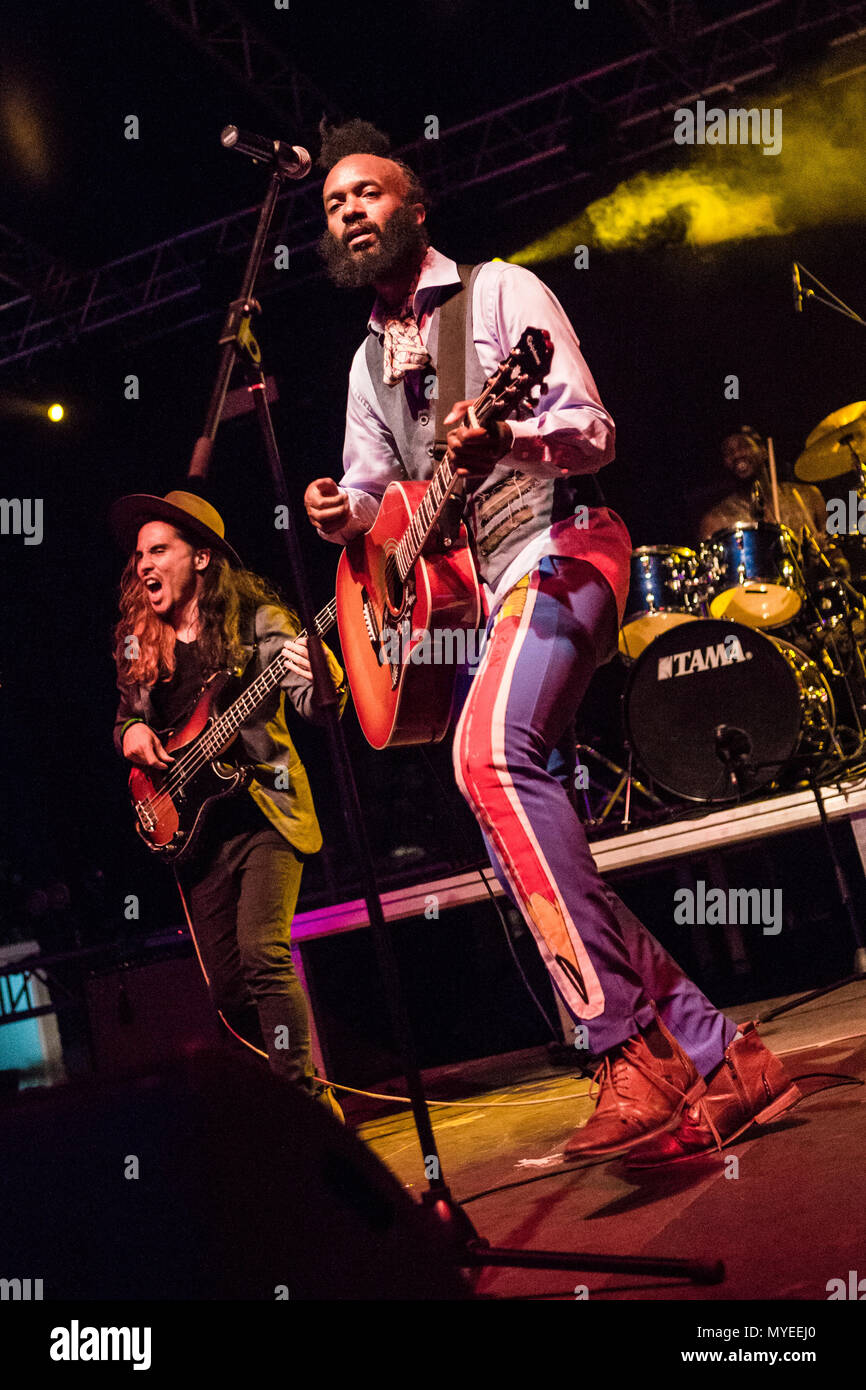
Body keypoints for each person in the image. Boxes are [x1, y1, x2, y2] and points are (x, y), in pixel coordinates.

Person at [304, 119, 810, 1165]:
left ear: (415, 206)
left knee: (485, 756)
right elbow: (371, 492)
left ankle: (623, 1044)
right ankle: (722, 1054)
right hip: (481, 592)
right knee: (515, 826)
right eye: (331, 203)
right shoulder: (364, 361)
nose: (347, 210)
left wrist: (510, 436)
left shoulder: (499, 296)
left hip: (564, 542)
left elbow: (593, 431)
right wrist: (342, 517)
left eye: (366, 191)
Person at [110, 490, 346, 1115]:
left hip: (266, 812)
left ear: (203, 558)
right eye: (140, 555)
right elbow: (129, 717)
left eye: (159, 550)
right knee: (228, 992)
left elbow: (315, 708)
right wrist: (131, 733)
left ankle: (304, 1112)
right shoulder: (142, 639)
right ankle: (304, 1093)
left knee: (264, 953)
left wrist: (323, 672)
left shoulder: (260, 620)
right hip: (198, 835)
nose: (144, 565)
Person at [698, 426, 826, 542]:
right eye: (728, 452)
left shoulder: (808, 495)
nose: (736, 454)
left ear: (764, 451)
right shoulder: (714, 523)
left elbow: (835, 554)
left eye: (743, 446)